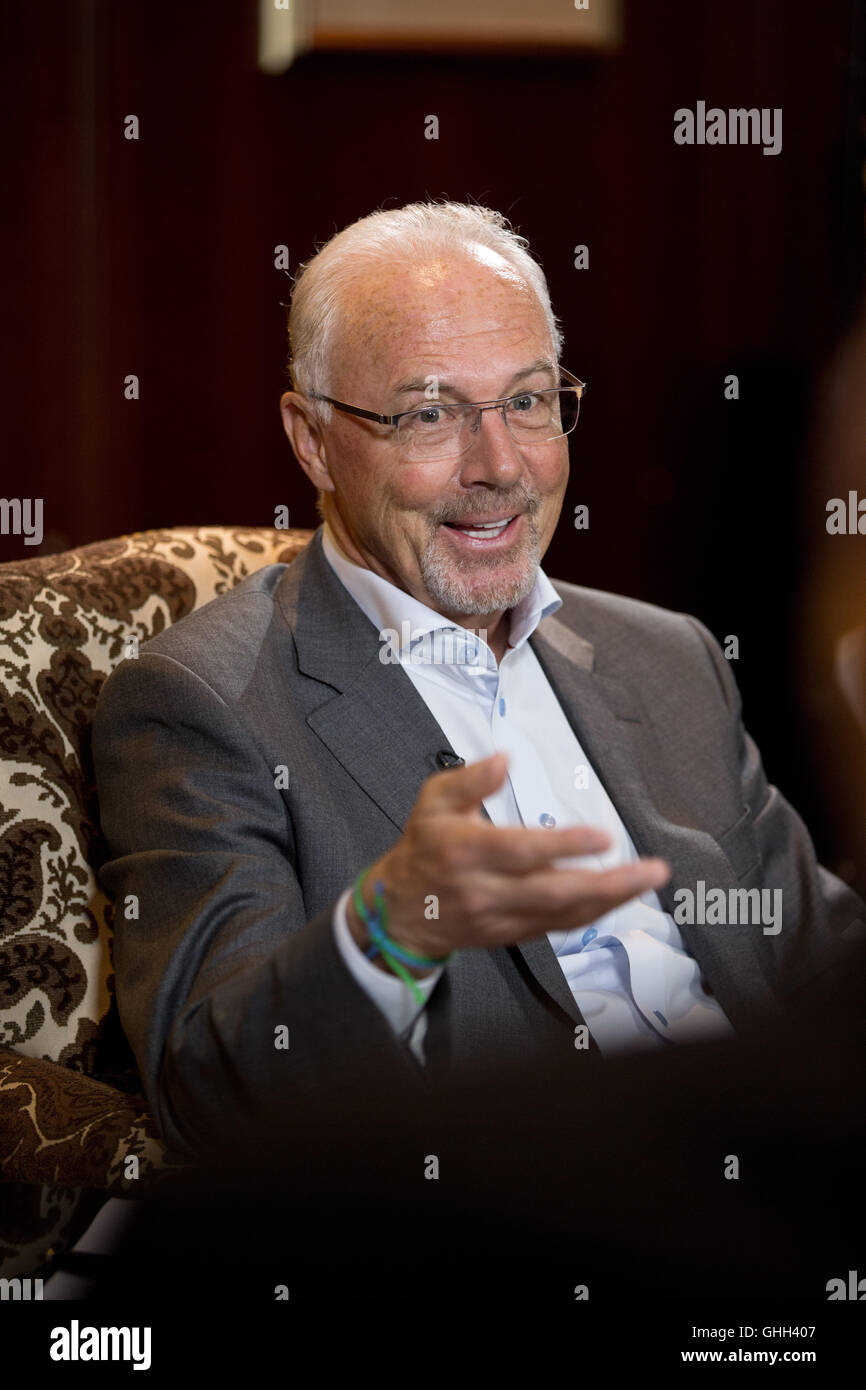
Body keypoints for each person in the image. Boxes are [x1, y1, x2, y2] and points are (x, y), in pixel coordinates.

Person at [91, 201, 864, 1162]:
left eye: (529, 402)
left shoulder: (666, 658)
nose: (501, 468)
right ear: (313, 439)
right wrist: (392, 928)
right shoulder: (201, 703)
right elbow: (211, 1096)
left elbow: (824, 970)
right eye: (429, 415)